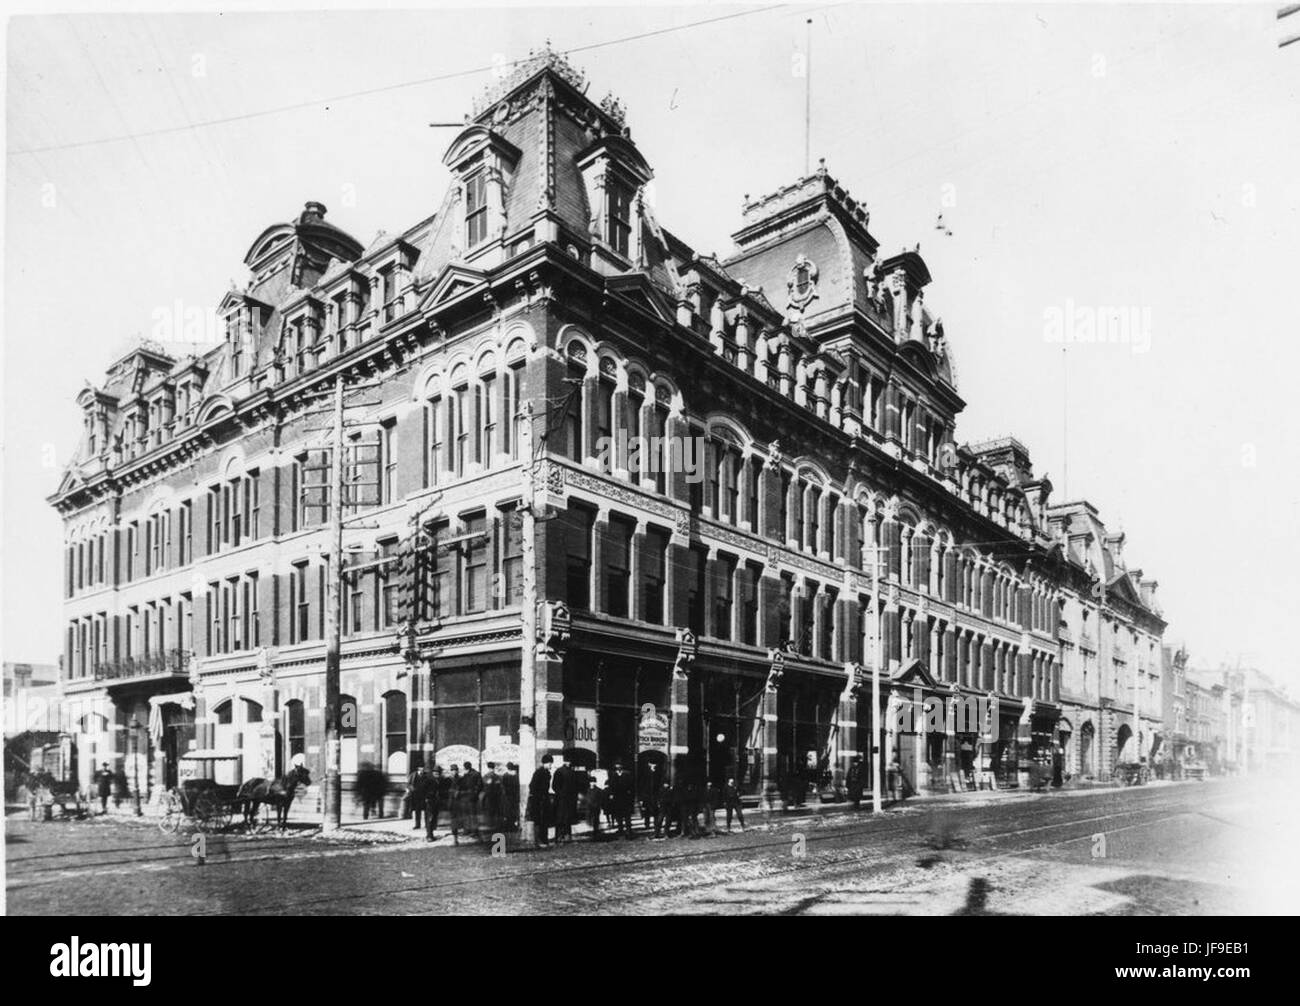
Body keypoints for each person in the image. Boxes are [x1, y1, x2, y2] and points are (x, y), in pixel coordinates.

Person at [528, 755, 554, 847]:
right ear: (545, 763)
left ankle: (544, 840)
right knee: (539, 821)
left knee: (544, 821)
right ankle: (539, 841)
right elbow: (532, 786)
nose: (551, 765)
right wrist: (538, 797)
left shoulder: (547, 773)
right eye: (550, 763)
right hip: (538, 801)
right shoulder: (539, 773)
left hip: (544, 800)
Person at [552, 760, 576, 844]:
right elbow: (554, 786)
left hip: (569, 799)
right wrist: (560, 793)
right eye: (568, 761)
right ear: (565, 761)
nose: (569, 763)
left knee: (567, 818)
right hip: (561, 799)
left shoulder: (572, 772)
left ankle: (567, 836)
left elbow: (574, 786)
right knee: (560, 818)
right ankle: (559, 837)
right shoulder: (559, 771)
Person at [610, 762, 635, 838]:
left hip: (626, 798)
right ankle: (620, 829)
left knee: (627, 816)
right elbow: (611, 786)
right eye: (617, 768)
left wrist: (630, 795)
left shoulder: (627, 774)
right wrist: (611, 794)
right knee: (618, 815)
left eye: (620, 768)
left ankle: (628, 830)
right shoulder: (613, 775)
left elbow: (631, 786)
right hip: (617, 798)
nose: (618, 769)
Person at [638, 761, 662, 832]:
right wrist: (641, 798)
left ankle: (656, 825)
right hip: (647, 796)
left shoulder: (658, 773)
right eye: (652, 764)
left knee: (656, 811)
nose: (654, 765)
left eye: (654, 764)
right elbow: (642, 785)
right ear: (649, 765)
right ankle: (647, 824)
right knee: (647, 811)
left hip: (655, 796)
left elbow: (659, 784)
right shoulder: (645, 773)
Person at [462, 761, 483, 835]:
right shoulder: (466, 774)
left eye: (466, 769)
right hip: (466, 797)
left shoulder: (476, 774)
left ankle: (474, 831)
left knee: (472, 814)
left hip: (472, 798)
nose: (465, 770)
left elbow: (480, 786)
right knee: (467, 814)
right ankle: (468, 830)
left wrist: (475, 793)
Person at [424, 766, 445, 840]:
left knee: (434, 817)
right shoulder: (428, 780)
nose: (437, 773)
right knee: (430, 818)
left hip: (437, 801)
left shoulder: (440, 780)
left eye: (438, 772)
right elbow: (423, 790)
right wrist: (427, 797)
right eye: (435, 772)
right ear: (433, 772)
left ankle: (431, 833)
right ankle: (429, 835)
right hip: (430, 801)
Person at [482, 762, 502, 835]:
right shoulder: (498, 777)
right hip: (497, 797)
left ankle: (490, 825)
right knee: (496, 811)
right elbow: (500, 787)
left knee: (489, 811)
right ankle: (496, 826)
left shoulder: (485, 776)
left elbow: (484, 787)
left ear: (488, 767)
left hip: (489, 796)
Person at [408, 766, 429, 831]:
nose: (422, 770)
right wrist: (412, 789)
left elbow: (429, 785)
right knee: (417, 810)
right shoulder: (413, 775)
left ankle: (427, 824)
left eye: (423, 768)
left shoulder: (426, 775)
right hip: (416, 796)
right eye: (421, 768)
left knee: (426, 811)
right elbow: (409, 784)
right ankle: (417, 825)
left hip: (424, 795)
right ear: (418, 768)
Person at [501, 763, 521, 832]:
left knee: (507, 812)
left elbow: (503, 787)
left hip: (507, 797)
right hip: (515, 797)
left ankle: (508, 826)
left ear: (507, 768)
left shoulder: (505, 776)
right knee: (514, 812)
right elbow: (518, 787)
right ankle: (513, 826)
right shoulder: (516, 776)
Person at [586, 772, 605, 840]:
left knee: (596, 820)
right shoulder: (588, 790)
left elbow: (601, 799)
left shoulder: (598, 790)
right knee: (590, 819)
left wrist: (598, 805)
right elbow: (587, 798)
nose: (592, 783)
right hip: (590, 807)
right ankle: (594, 831)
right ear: (589, 783)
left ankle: (595, 831)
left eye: (594, 782)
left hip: (596, 807)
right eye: (591, 782)